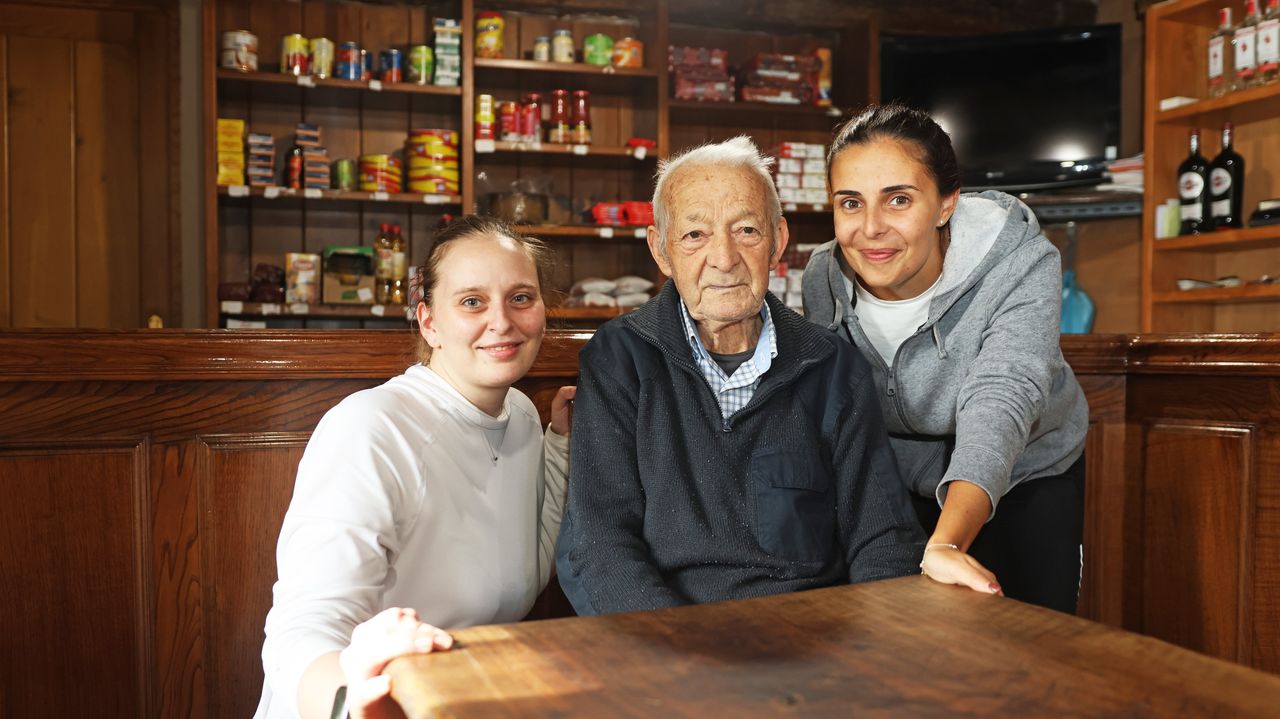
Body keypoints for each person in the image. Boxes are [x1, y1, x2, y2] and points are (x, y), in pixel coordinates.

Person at [555, 136, 925, 616]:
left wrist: (874, 654)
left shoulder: (833, 366)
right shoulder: (620, 359)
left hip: (810, 640)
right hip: (669, 641)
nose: (724, 258)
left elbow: (884, 539)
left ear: (778, 241)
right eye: (694, 235)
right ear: (661, 251)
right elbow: (598, 543)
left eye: (747, 230)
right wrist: (677, 649)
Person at [255, 216, 575, 719]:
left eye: (521, 297)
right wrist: (350, 701)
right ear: (428, 321)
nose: (502, 321)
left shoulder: (520, 417)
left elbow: (521, 575)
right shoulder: (369, 428)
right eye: (472, 301)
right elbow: (303, 627)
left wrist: (559, 446)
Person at [801, 103, 1089, 613]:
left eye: (898, 200)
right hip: (895, 475)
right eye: (850, 203)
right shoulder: (823, 277)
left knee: (1028, 646)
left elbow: (1001, 400)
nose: (870, 228)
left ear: (945, 204)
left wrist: (948, 542)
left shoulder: (1021, 263)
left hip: (1021, 471)